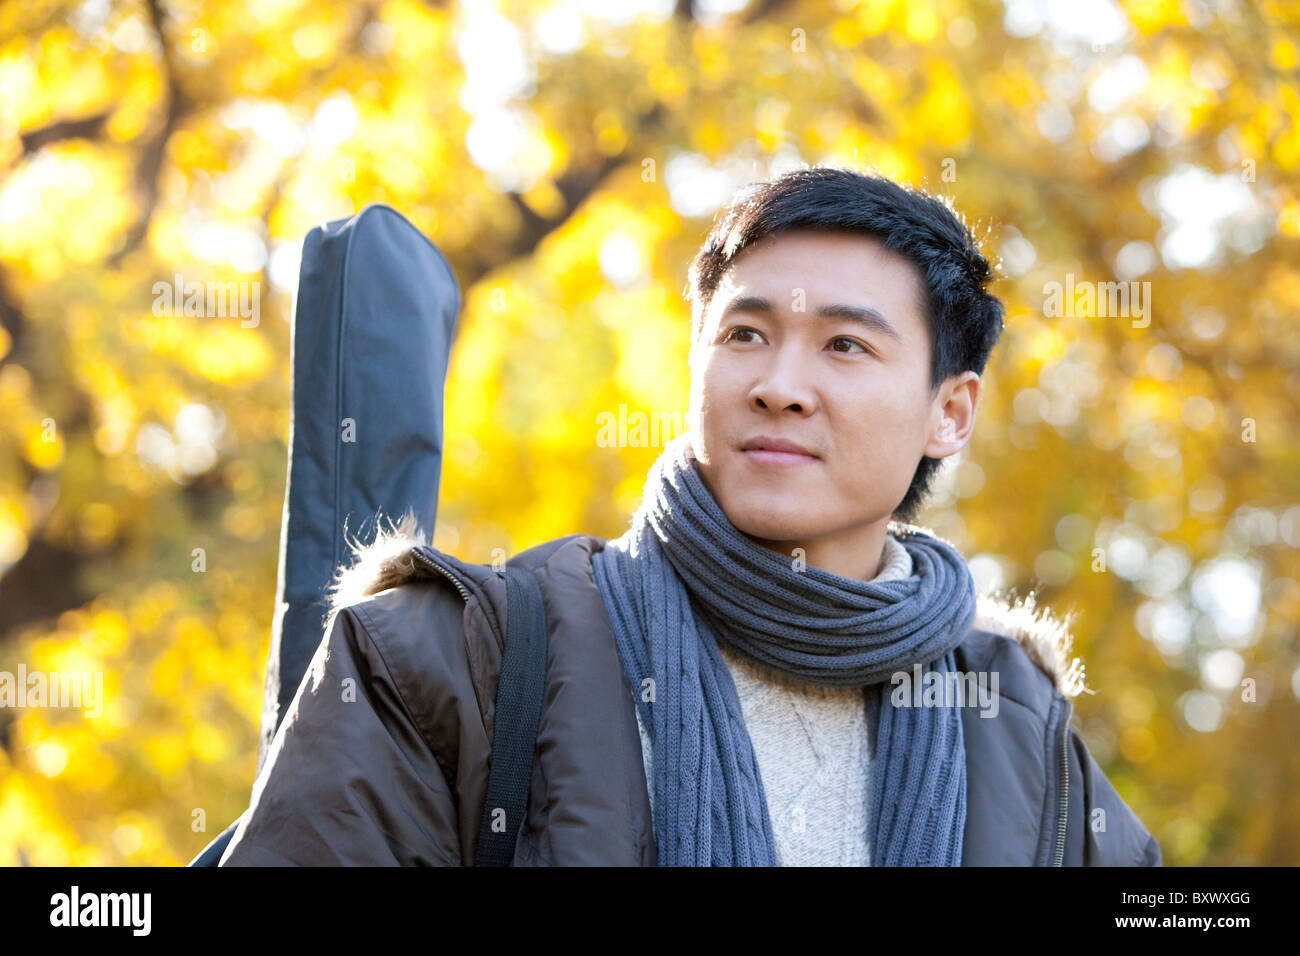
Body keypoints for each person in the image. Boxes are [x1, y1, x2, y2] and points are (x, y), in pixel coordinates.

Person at [218, 165, 1162, 866]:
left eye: (844, 345)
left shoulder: (1014, 723)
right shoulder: (461, 655)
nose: (781, 386)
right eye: (745, 335)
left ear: (949, 413)